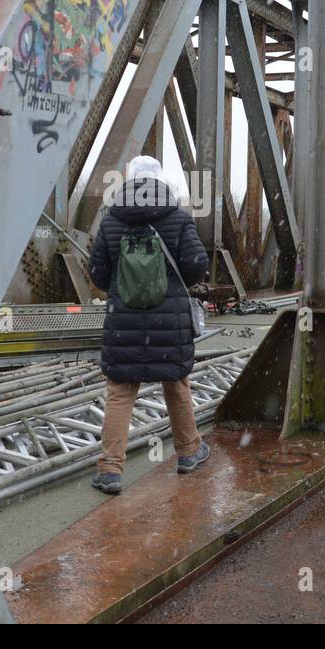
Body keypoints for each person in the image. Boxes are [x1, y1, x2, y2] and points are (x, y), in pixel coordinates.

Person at [87, 155, 210, 494]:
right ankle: (188, 452)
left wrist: (122, 281)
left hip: (123, 320)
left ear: (129, 180)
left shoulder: (111, 220)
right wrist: (172, 282)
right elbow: (197, 264)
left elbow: (96, 274)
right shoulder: (178, 218)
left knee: (120, 392)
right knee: (176, 383)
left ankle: (110, 470)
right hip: (167, 319)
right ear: (159, 180)